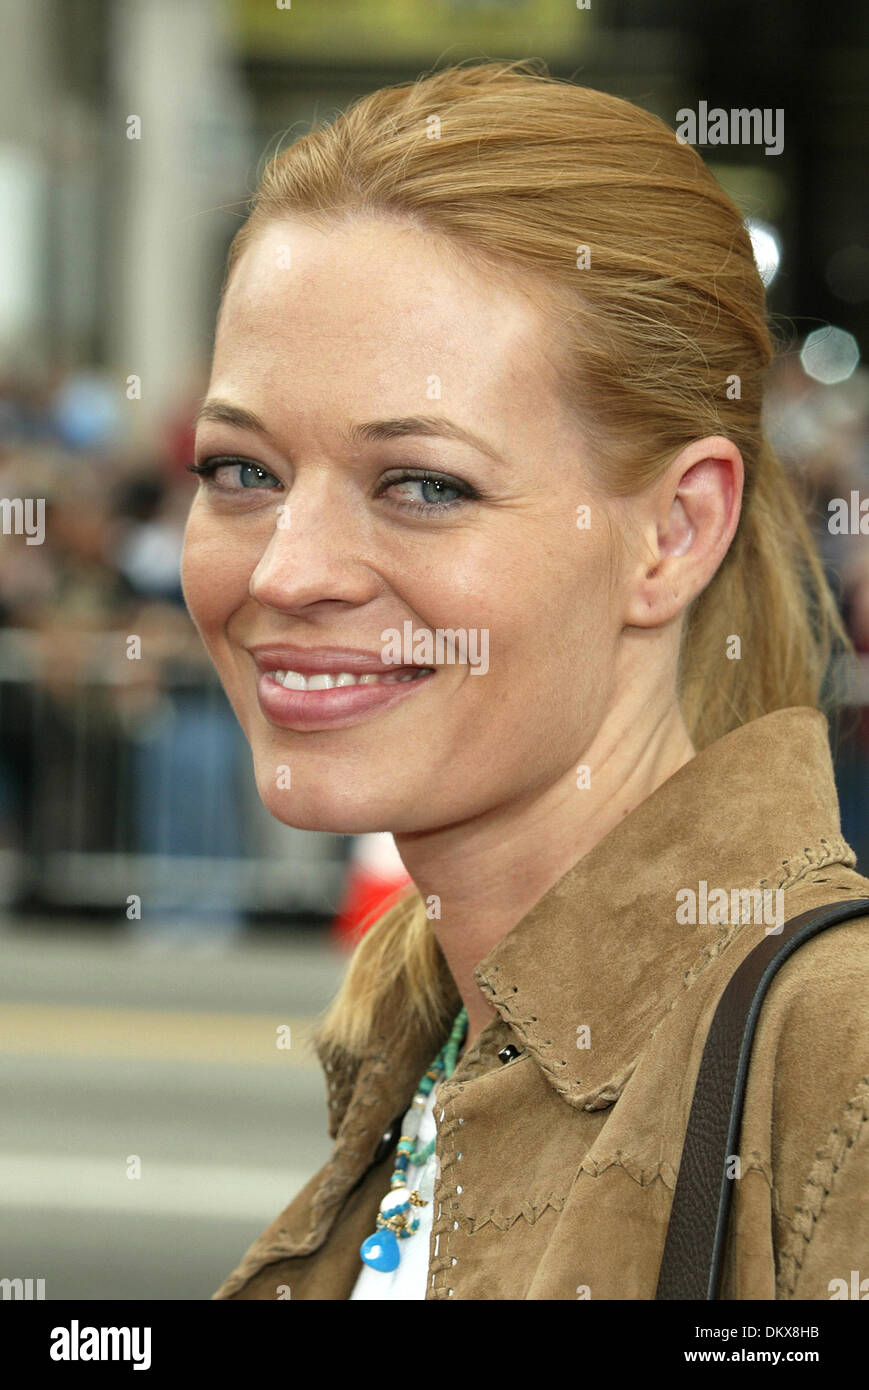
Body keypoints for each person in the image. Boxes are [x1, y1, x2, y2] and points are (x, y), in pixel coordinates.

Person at [180, 58, 869, 1300]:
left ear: (671, 533)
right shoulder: (426, 1041)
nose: (288, 570)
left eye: (423, 485)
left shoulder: (838, 1062)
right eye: (241, 470)